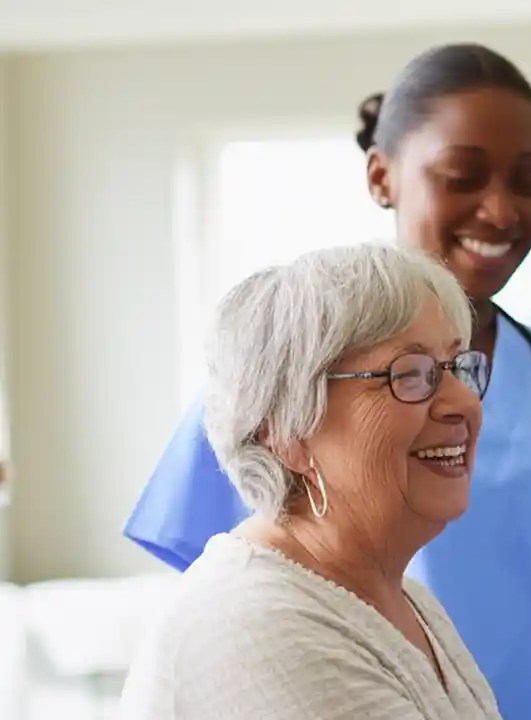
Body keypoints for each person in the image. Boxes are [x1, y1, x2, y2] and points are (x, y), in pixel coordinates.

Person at [122, 44, 531, 720]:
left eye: (526, 179)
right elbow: (236, 622)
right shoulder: (284, 376)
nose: (500, 210)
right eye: (463, 175)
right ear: (382, 176)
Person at [119, 243, 499, 719]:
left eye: (457, 366)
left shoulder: (406, 601)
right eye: (412, 374)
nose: (463, 402)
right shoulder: (253, 625)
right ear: (288, 431)